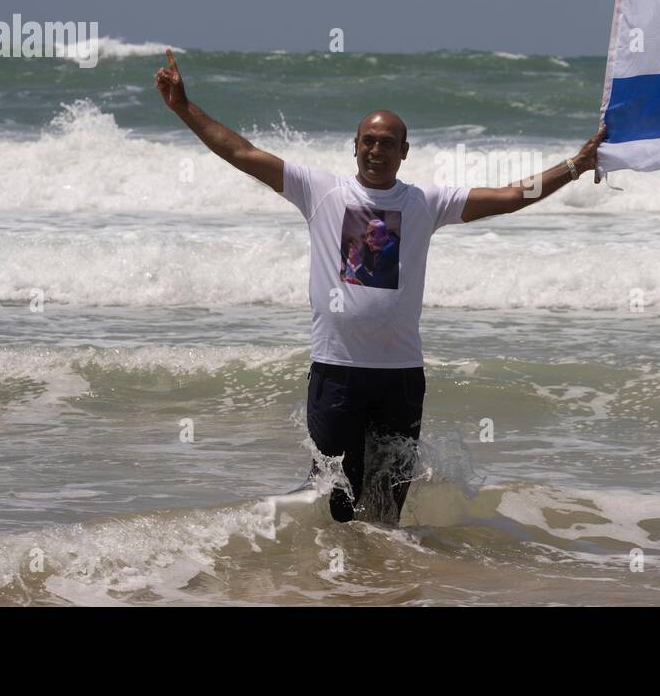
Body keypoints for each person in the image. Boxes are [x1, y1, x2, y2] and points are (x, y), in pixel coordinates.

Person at [155, 49, 605, 523]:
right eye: (368, 141)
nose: (376, 150)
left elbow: (512, 197)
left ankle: (383, 583)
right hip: (337, 371)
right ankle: (338, 586)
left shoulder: (426, 202)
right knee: (337, 507)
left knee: (387, 511)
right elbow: (240, 152)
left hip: (400, 377)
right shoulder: (320, 191)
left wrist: (573, 166)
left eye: (387, 143)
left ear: (404, 151)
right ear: (354, 146)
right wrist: (184, 107)